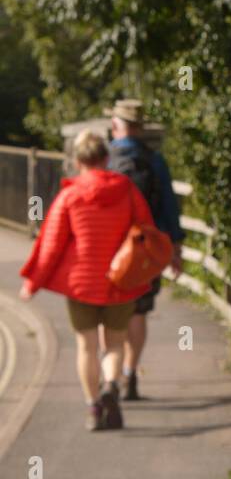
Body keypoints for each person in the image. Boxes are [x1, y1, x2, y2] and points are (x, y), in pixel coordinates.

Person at [19, 130, 154, 432]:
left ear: (78, 162)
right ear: (106, 159)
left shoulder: (70, 195)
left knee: (86, 347)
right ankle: (111, 386)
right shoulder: (128, 190)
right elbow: (146, 229)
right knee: (115, 344)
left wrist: (33, 282)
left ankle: (94, 408)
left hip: (82, 284)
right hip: (122, 281)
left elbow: (51, 244)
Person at [105, 99, 184, 400]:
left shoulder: (105, 159)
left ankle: (109, 376)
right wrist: (175, 249)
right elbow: (169, 208)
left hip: (110, 250)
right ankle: (130, 374)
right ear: (139, 128)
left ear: (116, 125)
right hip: (146, 252)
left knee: (111, 314)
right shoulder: (155, 161)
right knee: (138, 314)